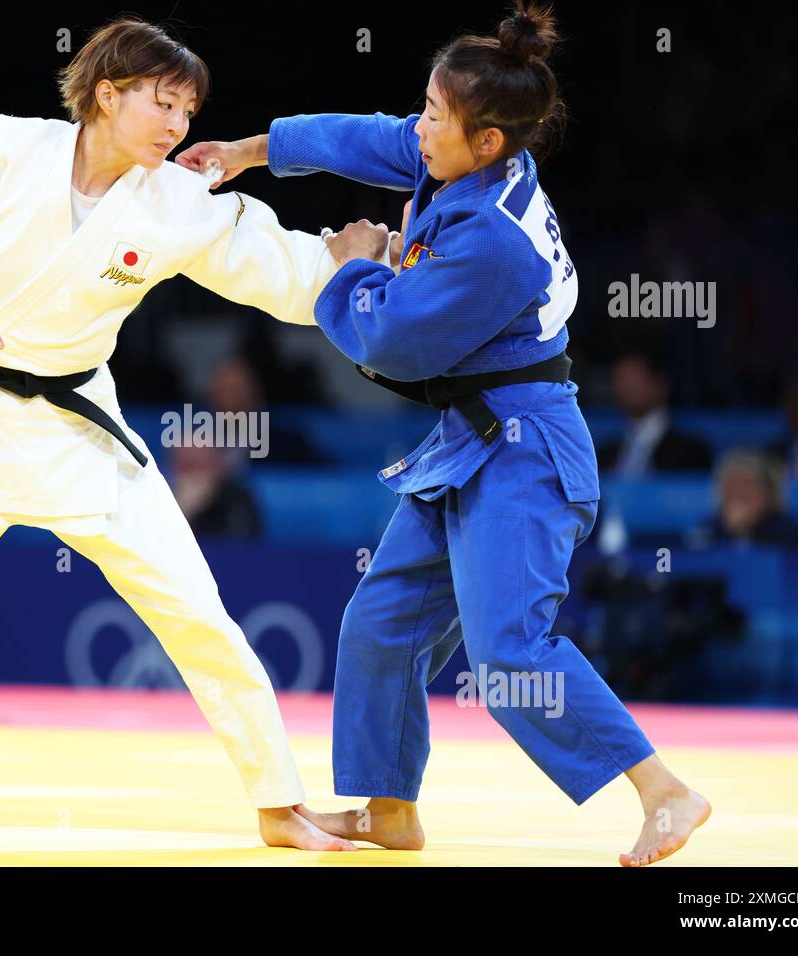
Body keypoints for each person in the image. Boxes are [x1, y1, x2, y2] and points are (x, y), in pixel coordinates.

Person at [0, 16, 367, 852]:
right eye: (164, 102)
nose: (179, 125)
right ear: (107, 94)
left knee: (198, 613)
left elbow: (273, 263)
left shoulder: (176, 200)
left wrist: (350, 260)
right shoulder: (3, 148)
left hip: (81, 435)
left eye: (188, 109)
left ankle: (279, 804)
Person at [180, 1, 710, 866]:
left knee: (508, 655)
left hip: (528, 450)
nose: (418, 128)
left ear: (490, 140)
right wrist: (251, 150)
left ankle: (666, 792)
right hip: (471, 441)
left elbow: (390, 340)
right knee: (381, 621)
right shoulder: (463, 158)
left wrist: (353, 266)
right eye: (425, 105)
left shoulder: (496, 242)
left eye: (434, 116)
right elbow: (364, 139)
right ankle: (390, 810)